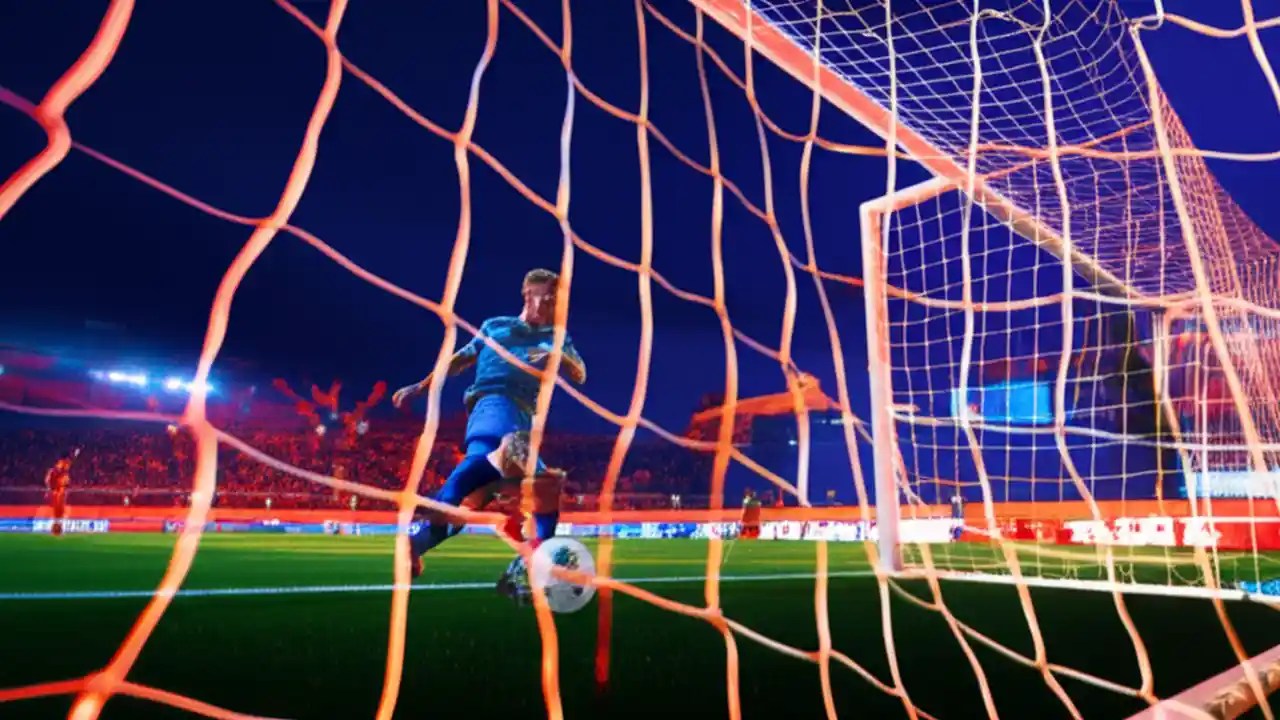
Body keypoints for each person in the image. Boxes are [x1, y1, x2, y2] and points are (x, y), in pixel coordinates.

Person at [392, 268, 586, 583]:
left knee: (495, 492)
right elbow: (460, 359)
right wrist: (421, 387)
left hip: (524, 414)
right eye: (548, 296)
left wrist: (559, 358)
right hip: (492, 403)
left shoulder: (557, 336)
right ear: (528, 294)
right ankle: (539, 557)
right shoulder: (495, 327)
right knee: (512, 450)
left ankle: (418, 542)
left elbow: (580, 373)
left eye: (557, 298)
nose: (553, 303)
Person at [45, 448, 80, 536]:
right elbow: (55, 472)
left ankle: (57, 529)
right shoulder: (61, 464)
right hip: (58, 490)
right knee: (58, 510)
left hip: (60, 489)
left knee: (60, 510)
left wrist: (75, 455)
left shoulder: (64, 465)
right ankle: (56, 530)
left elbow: (70, 463)